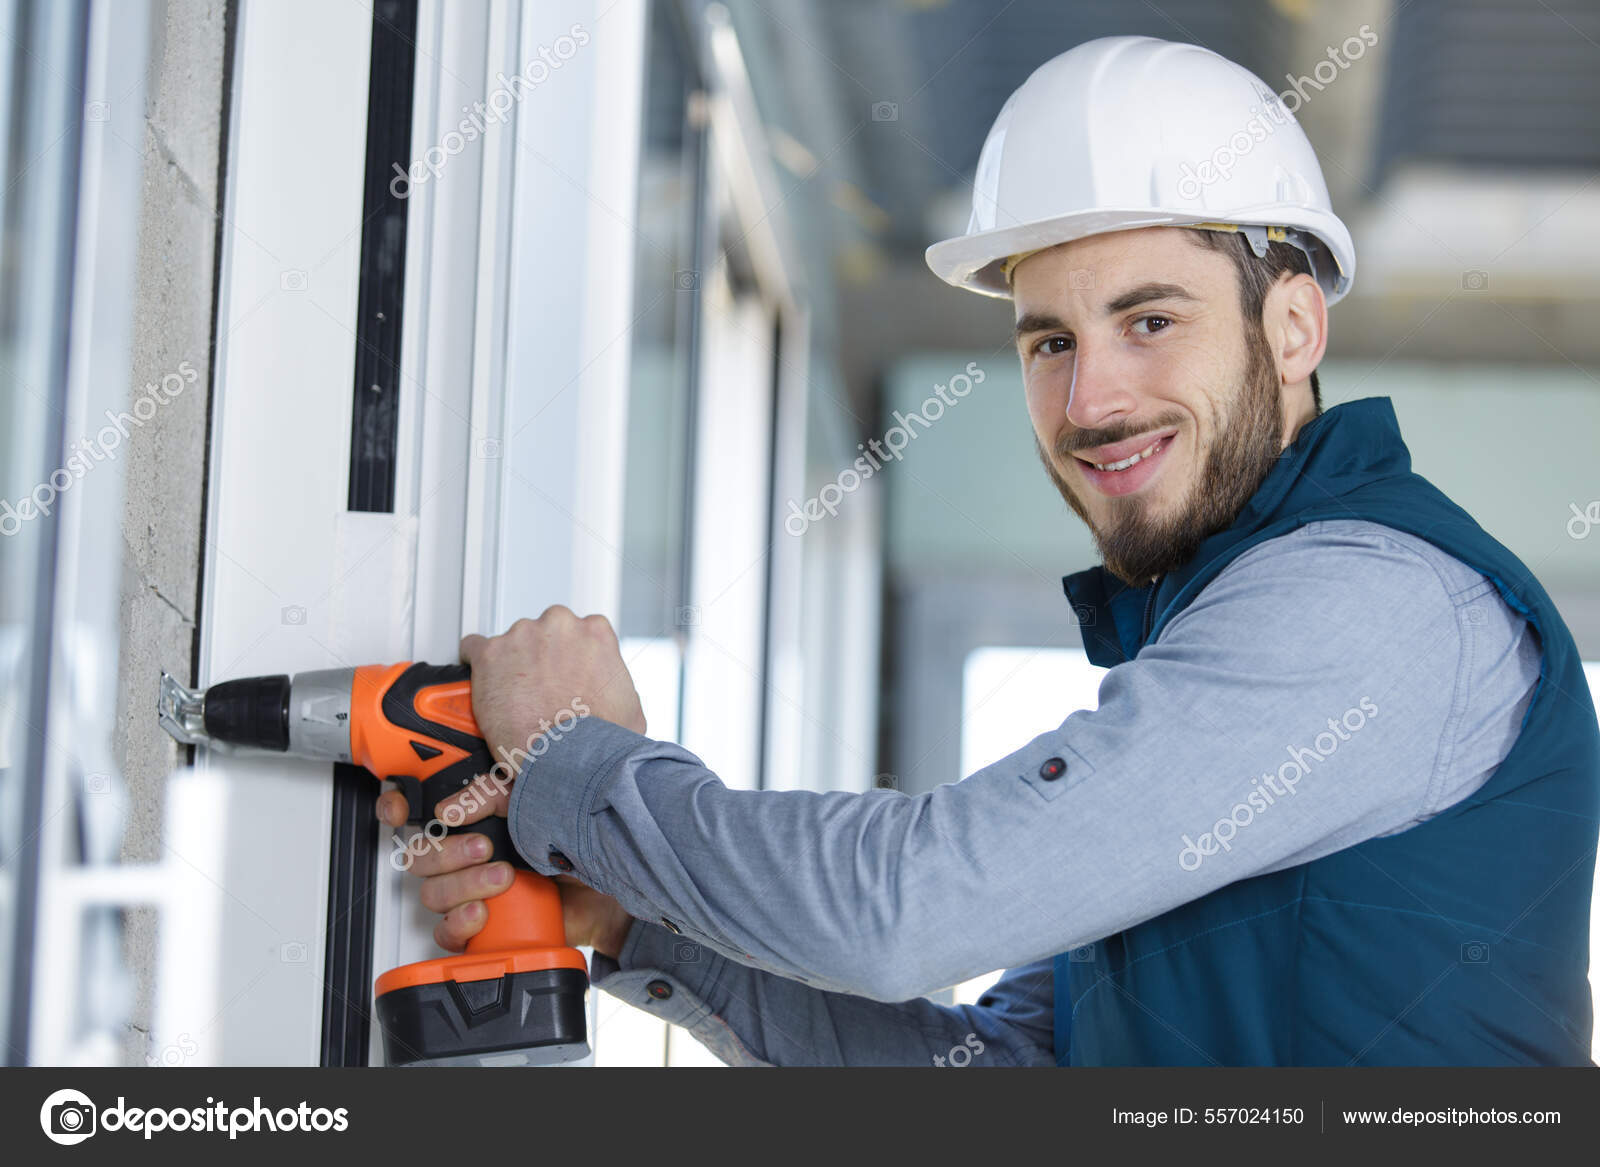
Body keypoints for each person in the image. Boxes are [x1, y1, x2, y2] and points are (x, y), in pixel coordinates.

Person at [376, 36, 1599, 1065]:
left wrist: (579, 768)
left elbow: (899, 910)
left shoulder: (1369, 609)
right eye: (1049, 342)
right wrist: (643, 920)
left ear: (1289, 327)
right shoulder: (1197, 688)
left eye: (1149, 321)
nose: (1088, 402)